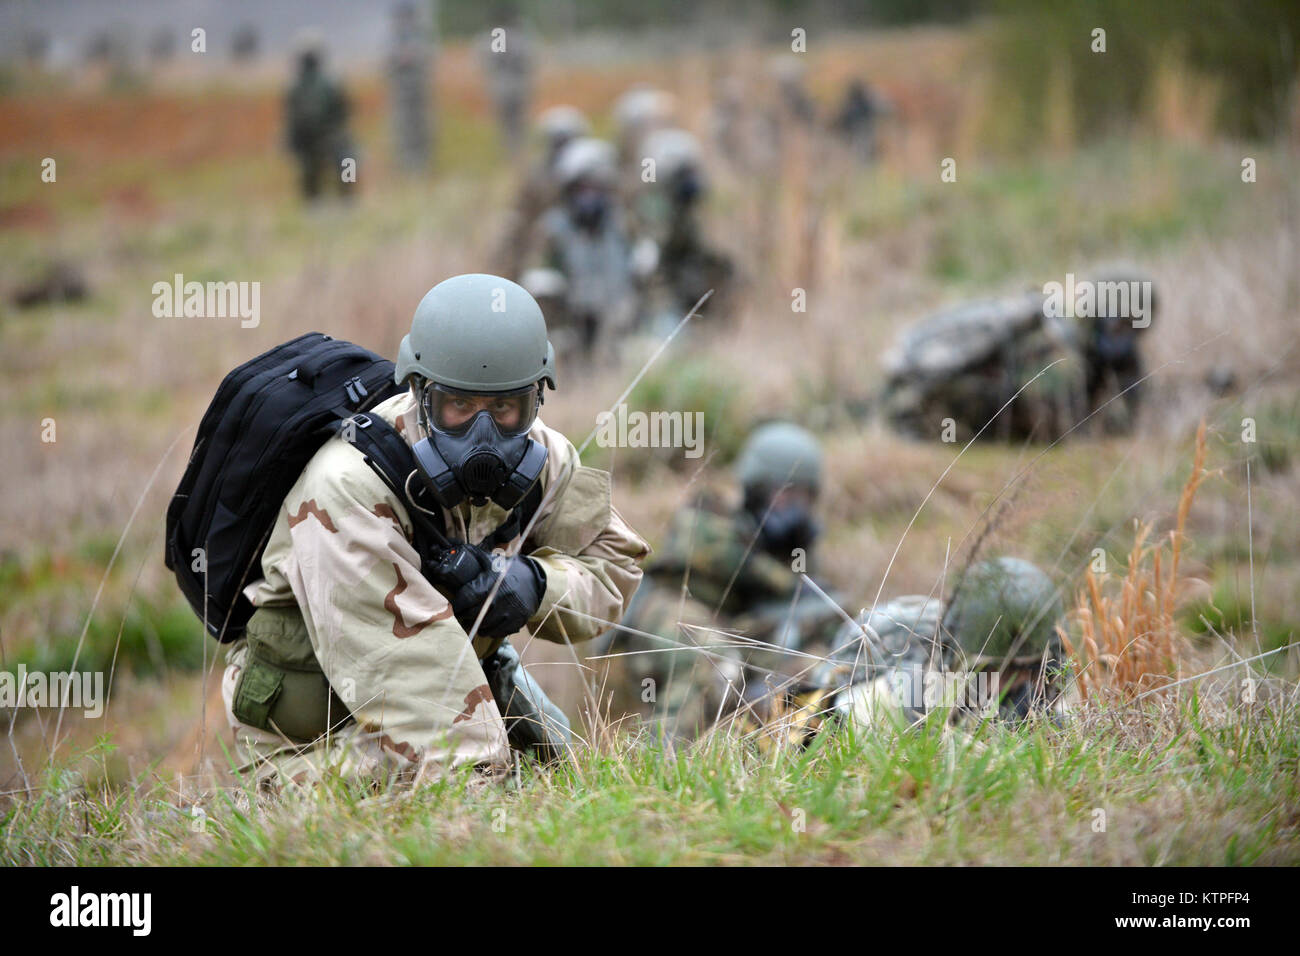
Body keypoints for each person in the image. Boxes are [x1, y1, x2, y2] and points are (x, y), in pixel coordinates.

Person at [221, 274, 651, 792]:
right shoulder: (347, 488)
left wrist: (535, 585)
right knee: (484, 782)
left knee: (583, 781)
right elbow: (429, 704)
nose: (484, 435)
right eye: (459, 408)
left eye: (505, 409)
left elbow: (616, 563)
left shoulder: (546, 458)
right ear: (421, 394)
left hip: (455, 680)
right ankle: (256, 806)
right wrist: (487, 777)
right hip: (314, 742)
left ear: (536, 399)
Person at [609, 422, 842, 740]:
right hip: (671, 605)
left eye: (803, 496)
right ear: (755, 487)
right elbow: (722, 556)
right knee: (711, 660)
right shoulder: (712, 512)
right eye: (783, 492)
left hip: (735, 623)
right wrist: (791, 583)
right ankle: (664, 762)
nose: (791, 506)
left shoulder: (794, 546)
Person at [880, 271, 1156, 442]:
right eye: (1120, 324)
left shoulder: (1093, 347)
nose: (1123, 336)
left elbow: (1124, 414)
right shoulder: (1060, 349)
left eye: (1131, 327)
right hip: (935, 403)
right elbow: (1061, 426)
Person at [813, 557, 1075, 736]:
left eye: (1029, 669)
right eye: (993, 670)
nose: (1010, 686)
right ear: (959, 658)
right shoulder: (903, 695)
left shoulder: (1049, 687)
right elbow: (844, 723)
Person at [529, 137, 640, 360]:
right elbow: (539, 285)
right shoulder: (553, 229)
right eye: (583, 188)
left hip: (618, 324)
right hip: (570, 326)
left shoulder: (622, 225)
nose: (589, 196)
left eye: (596, 188)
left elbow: (639, 273)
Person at [495, 105, 591, 278]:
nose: (561, 148)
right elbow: (521, 212)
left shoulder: (590, 174)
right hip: (542, 245)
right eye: (557, 142)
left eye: (565, 141)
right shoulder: (536, 176)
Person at [284, 32, 353, 201]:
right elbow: (293, 117)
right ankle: (317, 199)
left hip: (328, 136)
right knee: (313, 166)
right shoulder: (298, 86)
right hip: (310, 139)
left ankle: (345, 197)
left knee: (347, 161)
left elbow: (342, 110)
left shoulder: (327, 83)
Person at [386, 1, 433, 172]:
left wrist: (413, 57)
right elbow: (387, 66)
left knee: (422, 131)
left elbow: (428, 60)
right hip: (401, 95)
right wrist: (402, 60)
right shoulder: (392, 42)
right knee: (404, 133)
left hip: (419, 93)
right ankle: (408, 169)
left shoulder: (421, 38)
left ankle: (422, 168)